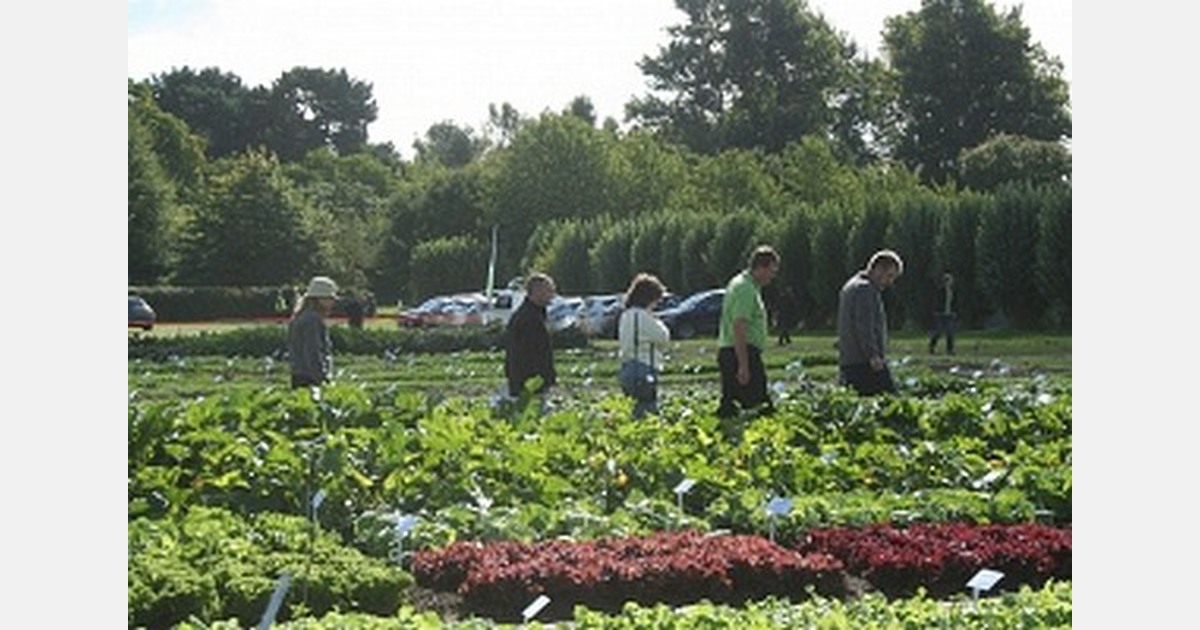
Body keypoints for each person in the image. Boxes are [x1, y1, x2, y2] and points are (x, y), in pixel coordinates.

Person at [716, 245, 780, 419]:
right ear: (760, 267)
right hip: (741, 353)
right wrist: (743, 365)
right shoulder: (745, 288)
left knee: (734, 405)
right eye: (771, 271)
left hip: (736, 352)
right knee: (760, 406)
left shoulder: (745, 284)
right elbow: (739, 326)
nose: (772, 276)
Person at [837, 250, 903, 396]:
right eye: (890, 276)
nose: (890, 282)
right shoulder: (865, 290)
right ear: (878, 269)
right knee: (893, 402)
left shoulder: (851, 285)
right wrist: (873, 355)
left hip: (850, 359)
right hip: (865, 362)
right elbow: (864, 325)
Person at [618, 273, 671, 418]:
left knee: (634, 412)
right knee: (648, 413)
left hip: (627, 368)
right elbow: (663, 337)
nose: (656, 304)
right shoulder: (643, 316)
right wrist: (657, 320)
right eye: (656, 300)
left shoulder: (625, 315)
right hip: (643, 369)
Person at [504, 272, 558, 398]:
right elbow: (529, 354)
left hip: (531, 382)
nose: (552, 295)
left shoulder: (533, 315)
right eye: (549, 290)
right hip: (529, 384)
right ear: (537, 291)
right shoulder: (528, 319)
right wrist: (539, 380)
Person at [288, 276, 338, 389]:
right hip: (309, 378)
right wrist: (322, 378)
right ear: (319, 299)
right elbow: (313, 352)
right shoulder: (313, 320)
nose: (332, 303)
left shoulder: (300, 316)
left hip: (298, 375)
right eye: (329, 298)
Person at [928, 272, 956, 355]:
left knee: (950, 332)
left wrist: (954, 311)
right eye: (947, 280)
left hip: (949, 314)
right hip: (940, 314)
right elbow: (936, 301)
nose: (949, 282)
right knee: (938, 332)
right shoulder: (940, 291)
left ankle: (950, 350)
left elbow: (954, 302)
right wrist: (936, 311)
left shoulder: (952, 291)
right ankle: (932, 347)